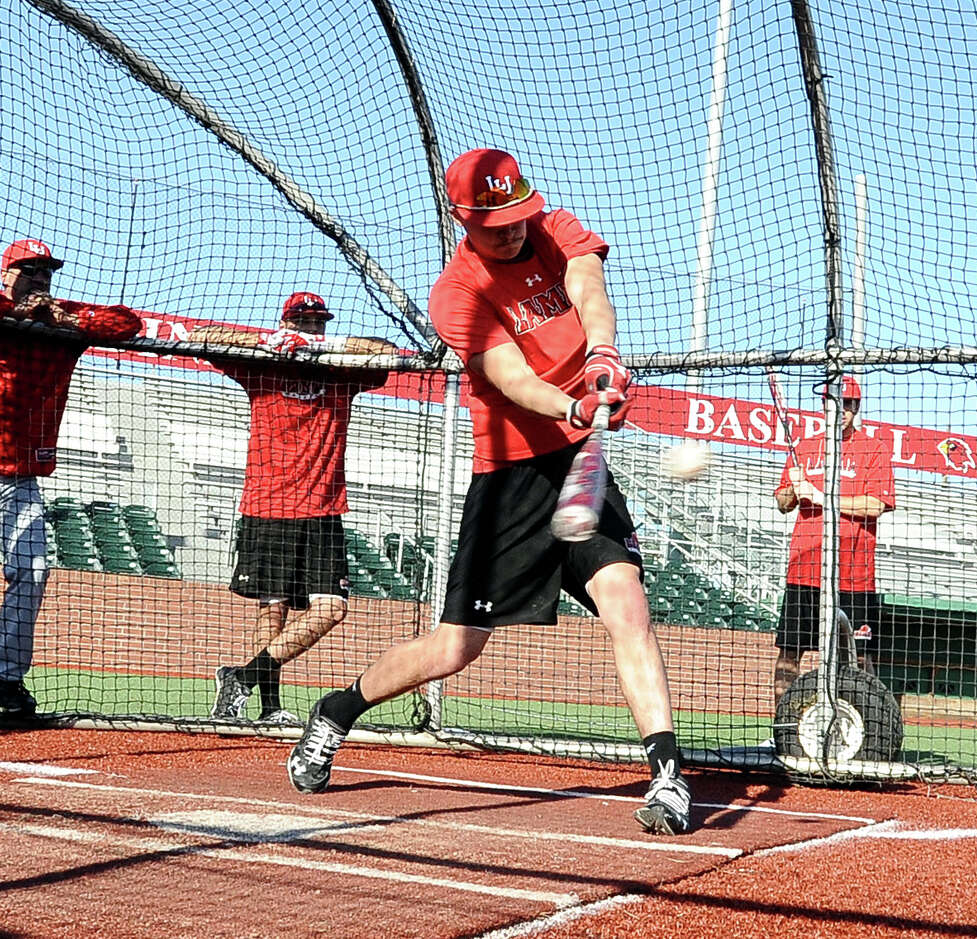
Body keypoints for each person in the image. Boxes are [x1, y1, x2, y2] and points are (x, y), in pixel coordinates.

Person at [287, 148, 694, 836]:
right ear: (461, 220)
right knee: (455, 647)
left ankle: (667, 775)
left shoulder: (549, 227)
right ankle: (336, 710)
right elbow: (510, 375)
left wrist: (602, 357)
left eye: (519, 216)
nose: (513, 230)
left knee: (629, 605)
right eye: (497, 222)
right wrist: (570, 405)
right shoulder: (457, 291)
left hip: (576, 466)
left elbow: (588, 282)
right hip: (508, 480)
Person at [0, 238, 142, 715]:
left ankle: (6, 682)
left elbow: (127, 322)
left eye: (46, 271)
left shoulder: (62, 318)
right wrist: (13, 314)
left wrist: (66, 320)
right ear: (7, 273)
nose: (39, 278)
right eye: (29, 269)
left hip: (19, 474)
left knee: (33, 570)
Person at [189, 292, 398, 728]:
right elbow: (201, 336)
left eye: (318, 322)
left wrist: (325, 347)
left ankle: (240, 676)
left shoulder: (341, 373)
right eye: (303, 322)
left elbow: (388, 353)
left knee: (331, 610)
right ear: (286, 323)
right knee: (273, 610)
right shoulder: (264, 364)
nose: (311, 328)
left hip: (323, 508)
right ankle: (267, 706)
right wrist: (273, 342)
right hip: (267, 504)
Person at [772, 375, 896, 709]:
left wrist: (823, 496)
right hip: (805, 569)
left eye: (849, 404)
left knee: (859, 658)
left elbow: (876, 505)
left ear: (857, 408)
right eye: (835, 402)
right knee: (790, 652)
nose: (841, 409)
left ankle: (866, 723)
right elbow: (783, 505)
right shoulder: (806, 447)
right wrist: (793, 489)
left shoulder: (874, 449)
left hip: (853, 574)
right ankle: (784, 727)